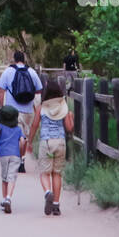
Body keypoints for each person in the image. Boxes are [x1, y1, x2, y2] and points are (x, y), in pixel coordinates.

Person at [29, 78, 74, 215]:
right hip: (60, 142)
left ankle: (48, 192)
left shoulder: (41, 108)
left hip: (46, 143)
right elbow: (69, 128)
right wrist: (71, 117)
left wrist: (29, 141)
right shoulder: (63, 106)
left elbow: (35, 125)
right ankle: (56, 204)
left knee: (44, 172)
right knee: (57, 173)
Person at [0, 51, 43, 163]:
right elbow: (39, 89)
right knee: (25, 134)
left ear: (14, 59)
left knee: (15, 134)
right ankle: (22, 159)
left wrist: (2, 106)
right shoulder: (31, 72)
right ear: (24, 59)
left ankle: (17, 158)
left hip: (12, 110)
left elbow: (0, 90)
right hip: (28, 110)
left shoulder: (8, 71)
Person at [0, 104, 24, 213]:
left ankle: (4, 198)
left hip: (4, 154)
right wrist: (21, 151)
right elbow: (23, 141)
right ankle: (9, 198)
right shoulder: (18, 129)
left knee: (4, 177)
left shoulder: (0, 125)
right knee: (12, 178)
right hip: (15, 154)